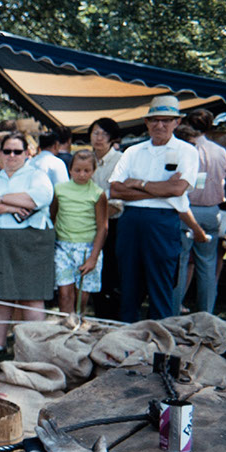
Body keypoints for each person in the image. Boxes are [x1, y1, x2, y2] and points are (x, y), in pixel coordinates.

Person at [109, 96, 199, 322]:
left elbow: (178, 188)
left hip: (162, 220)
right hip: (130, 220)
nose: (160, 125)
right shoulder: (132, 151)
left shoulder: (187, 151)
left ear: (177, 123)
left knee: (161, 285)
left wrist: (139, 183)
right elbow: (116, 190)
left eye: (166, 120)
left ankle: (160, 342)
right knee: (128, 285)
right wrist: (162, 189)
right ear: (147, 123)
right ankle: (126, 342)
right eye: (155, 120)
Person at [0, 132, 55, 358]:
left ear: (27, 153)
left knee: (32, 294)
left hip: (32, 240)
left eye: (17, 151)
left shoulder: (37, 176)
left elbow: (40, 198)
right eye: (7, 151)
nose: (11, 155)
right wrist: (10, 206)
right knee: (0, 293)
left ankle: (35, 348)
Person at [172, 109, 226, 314]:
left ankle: (174, 311)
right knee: (207, 265)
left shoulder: (186, 149)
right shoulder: (221, 151)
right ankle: (207, 312)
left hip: (187, 210)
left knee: (180, 262)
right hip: (212, 211)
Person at [51, 150, 107, 316]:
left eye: (86, 171)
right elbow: (52, 216)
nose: (82, 174)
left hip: (88, 249)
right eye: (77, 170)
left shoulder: (97, 194)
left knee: (81, 296)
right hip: (63, 247)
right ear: (70, 170)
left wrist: (93, 258)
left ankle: (78, 323)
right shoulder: (59, 189)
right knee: (64, 293)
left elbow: (103, 227)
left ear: (93, 171)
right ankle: (65, 327)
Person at [89, 117, 125, 319]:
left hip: (114, 224)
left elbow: (119, 200)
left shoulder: (120, 160)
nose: (99, 138)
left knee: (113, 272)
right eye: (95, 133)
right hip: (89, 224)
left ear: (112, 138)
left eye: (104, 134)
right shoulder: (86, 159)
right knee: (95, 273)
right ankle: (99, 314)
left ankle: (114, 318)